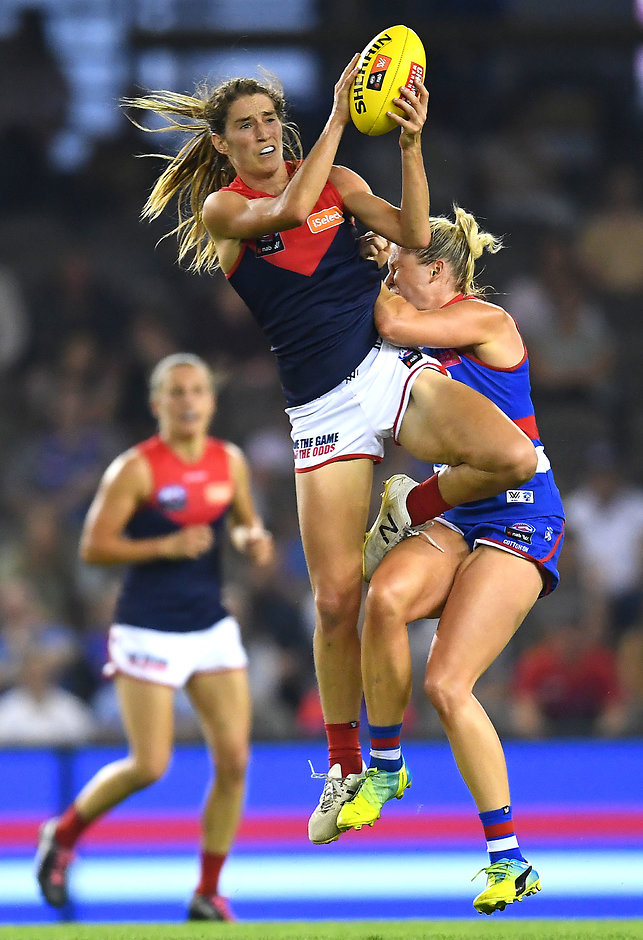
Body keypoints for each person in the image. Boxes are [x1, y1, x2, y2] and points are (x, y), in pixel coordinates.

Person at [120, 63, 538, 844]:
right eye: (243, 125)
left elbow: (414, 234)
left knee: (513, 457)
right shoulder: (224, 209)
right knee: (335, 601)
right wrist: (342, 116)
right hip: (321, 413)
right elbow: (283, 206)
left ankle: (405, 512)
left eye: (269, 118)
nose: (262, 132)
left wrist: (411, 145)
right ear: (220, 141)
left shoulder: (338, 181)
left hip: (385, 371)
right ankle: (347, 767)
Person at [337, 208, 565, 915]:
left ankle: (509, 858)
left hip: (521, 512)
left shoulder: (485, 320)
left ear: (437, 270)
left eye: (402, 267)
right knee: (382, 600)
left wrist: (373, 269)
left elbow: (395, 325)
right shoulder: (418, 318)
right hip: (462, 512)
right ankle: (384, 767)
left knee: (447, 684)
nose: (393, 280)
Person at [35, 353, 274, 923]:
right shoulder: (136, 469)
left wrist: (251, 538)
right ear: (157, 403)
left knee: (235, 760)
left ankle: (208, 892)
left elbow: (242, 520)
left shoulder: (228, 462)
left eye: (197, 391)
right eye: (177, 392)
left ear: (211, 402)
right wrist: (162, 547)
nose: (188, 401)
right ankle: (61, 835)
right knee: (150, 765)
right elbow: (93, 546)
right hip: (147, 626)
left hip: (209, 624)